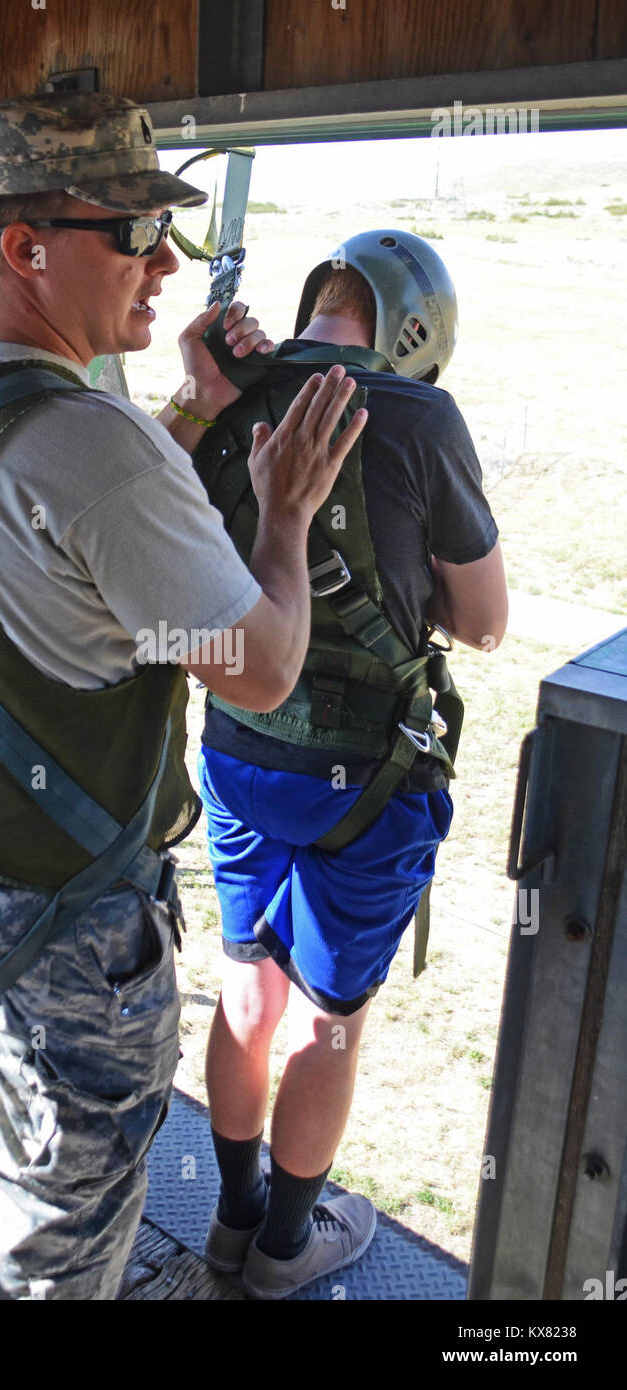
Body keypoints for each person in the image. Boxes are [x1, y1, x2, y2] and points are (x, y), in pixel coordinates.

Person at [0, 91, 367, 1300]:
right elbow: (259, 663)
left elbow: (74, 534)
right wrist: (285, 514)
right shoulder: (97, 447)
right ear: (25, 248)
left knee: (27, 1159)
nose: (165, 263)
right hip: (88, 931)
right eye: (133, 233)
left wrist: (194, 413)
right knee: (69, 1243)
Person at [193, 230, 508, 1299]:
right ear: (416, 330)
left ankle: (228, 1219)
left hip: (239, 752)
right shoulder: (420, 417)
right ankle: (285, 1243)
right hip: (366, 780)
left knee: (246, 984)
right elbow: (484, 623)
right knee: (331, 1017)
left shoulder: (225, 390)